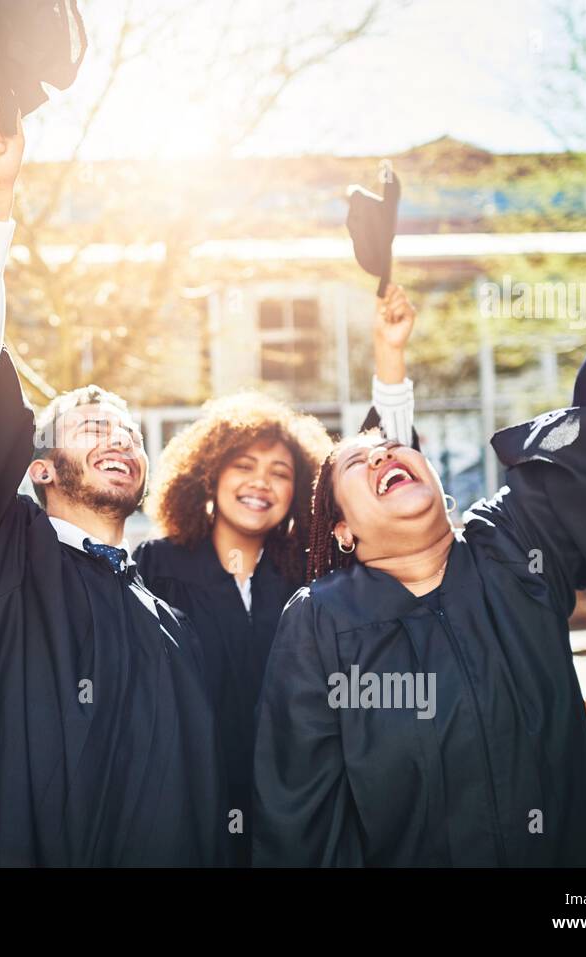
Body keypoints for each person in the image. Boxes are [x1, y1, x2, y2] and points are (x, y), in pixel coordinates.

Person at [252, 178, 586, 866]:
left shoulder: (513, 550)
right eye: (358, 463)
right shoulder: (323, 623)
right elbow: (300, 819)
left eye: (393, 448)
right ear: (343, 531)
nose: (384, 456)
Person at [0, 102, 227, 865]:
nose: (118, 436)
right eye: (91, 425)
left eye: (129, 430)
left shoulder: (167, 617)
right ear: (40, 466)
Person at [135, 283, 417, 865]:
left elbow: (380, 470)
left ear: (301, 492)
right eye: (244, 466)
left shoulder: (310, 575)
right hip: (192, 808)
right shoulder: (157, 568)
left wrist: (390, 357)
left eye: (280, 473)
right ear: (209, 477)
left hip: (299, 812)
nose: (260, 482)